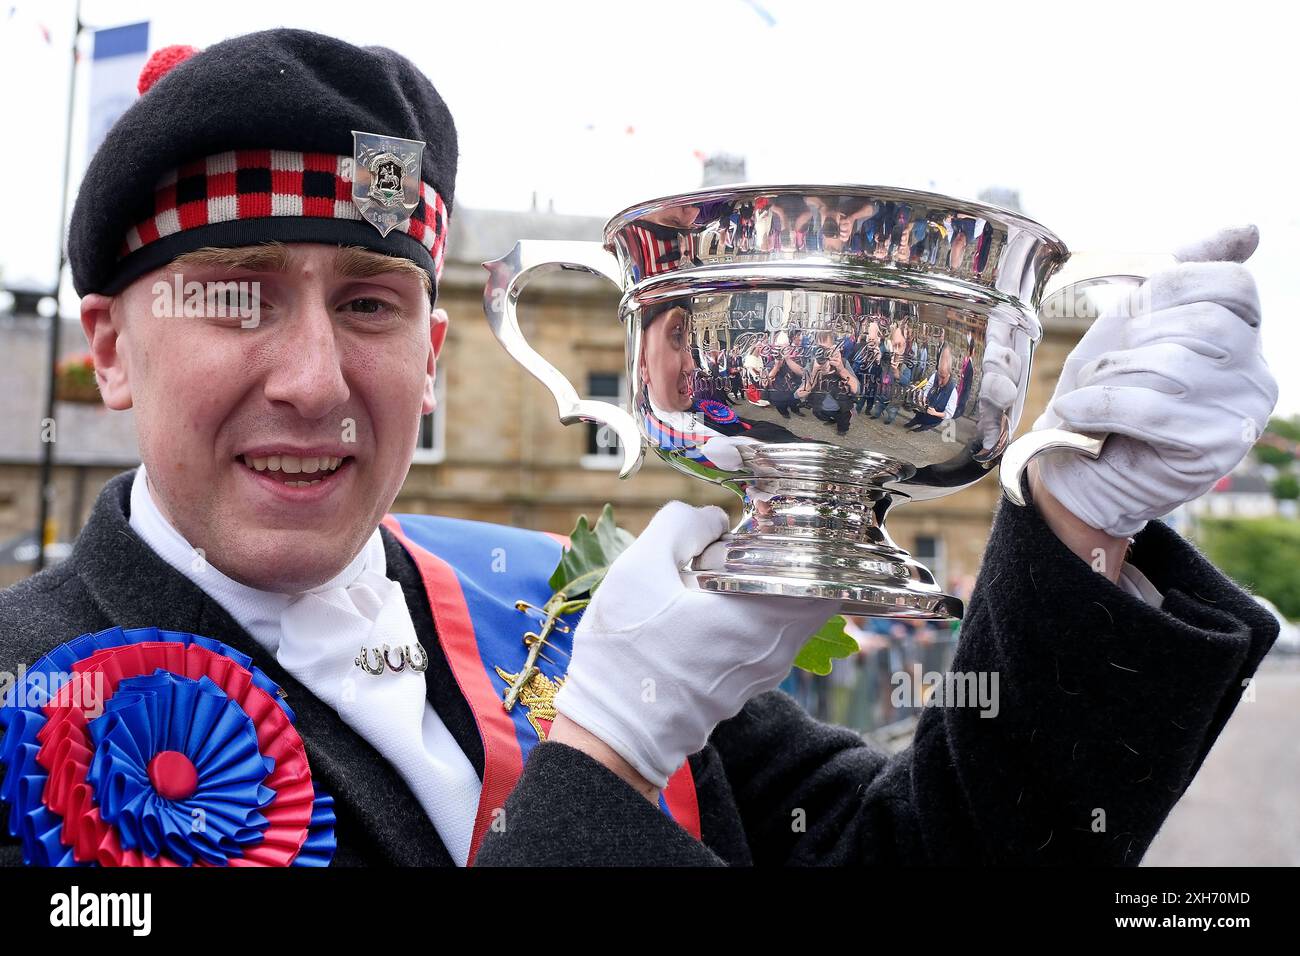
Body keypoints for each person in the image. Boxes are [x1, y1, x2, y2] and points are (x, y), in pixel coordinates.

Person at [0, 29, 1281, 870]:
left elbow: (932, 855)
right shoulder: (24, 689)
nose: (315, 378)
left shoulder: (538, 599)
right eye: (237, 293)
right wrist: (605, 752)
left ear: (435, 351)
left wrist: (1077, 524)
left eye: (370, 302)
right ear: (108, 349)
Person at [901, 342, 958, 431]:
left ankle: (922, 428)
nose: (939, 380)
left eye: (943, 377)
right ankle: (915, 421)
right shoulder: (935, 376)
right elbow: (928, 387)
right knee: (917, 417)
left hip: (934, 418)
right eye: (939, 375)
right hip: (924, 410)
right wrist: (923, 397)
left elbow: (949, 414)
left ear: (949, 375)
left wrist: (935, 413)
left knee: (923, 427)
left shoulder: (953, 391)